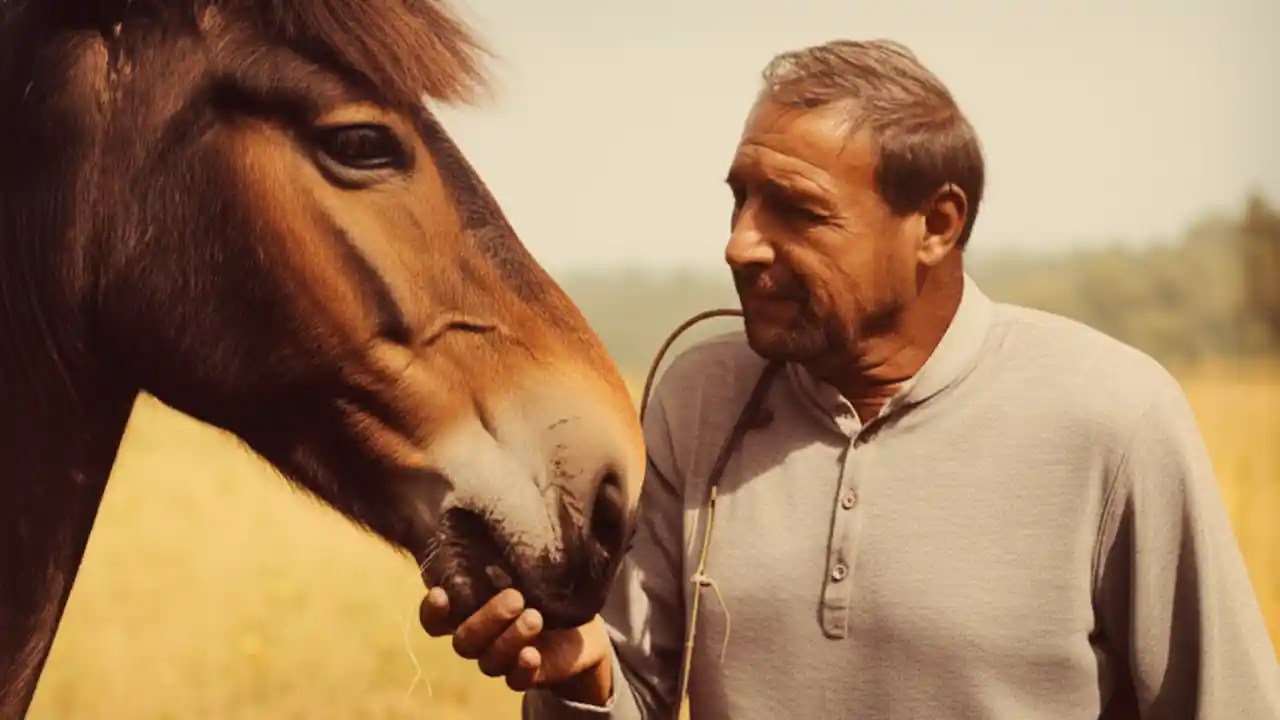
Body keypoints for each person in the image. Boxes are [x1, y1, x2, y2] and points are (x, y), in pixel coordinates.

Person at [420, 38, 1280, 718]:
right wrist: (578, 676)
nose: (740, 243)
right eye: (740, 199)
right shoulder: (697, 398)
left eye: (796, 210)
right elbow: (633, 700)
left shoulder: (1114, 418)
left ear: (938, 225)